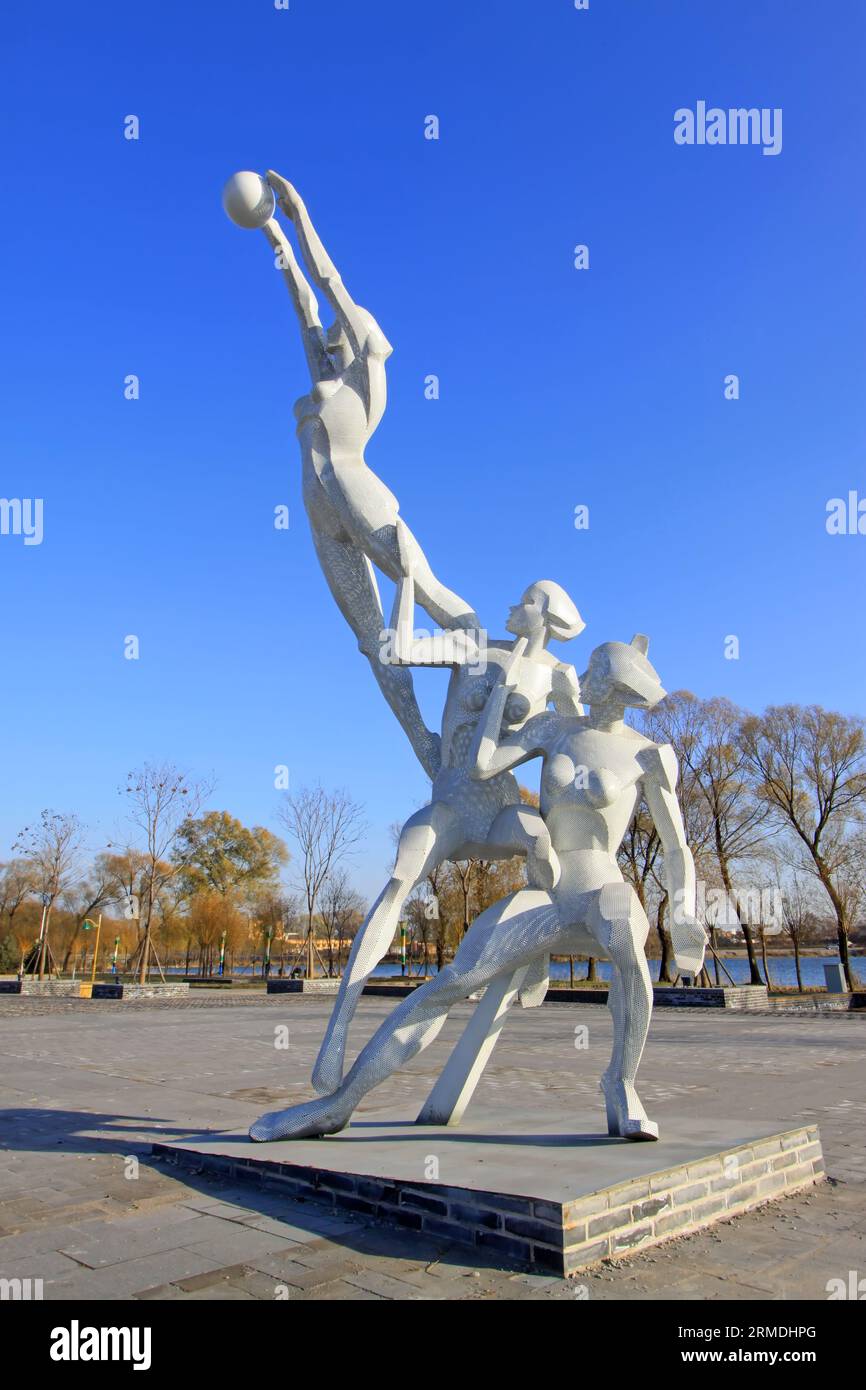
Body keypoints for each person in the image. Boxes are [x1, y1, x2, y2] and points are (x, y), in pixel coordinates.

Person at [250, 635, 706, 1143]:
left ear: (623, 689)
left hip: (603, 888)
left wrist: (685, 914)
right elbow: (484, 765)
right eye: (592, 669)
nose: (587, 679)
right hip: (550, 891)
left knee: (627, 944)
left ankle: (621, 1084)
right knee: (451, 981)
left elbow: (676, 848)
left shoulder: (649, 755)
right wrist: (498, 696)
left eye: (600, 673)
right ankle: (338, 1104)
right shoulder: (553, 728)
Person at [310, 541, 584, 1096]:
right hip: (454, 803)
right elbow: (400, 648)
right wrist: (407, 582)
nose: (516, 604)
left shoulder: (559, 675)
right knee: (397, 883)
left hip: (501, 806)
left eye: (527, 600)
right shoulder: (474, 645)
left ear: (546, 616)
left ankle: (535, 955)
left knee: (541, 840)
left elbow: (575, 746)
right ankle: (337, 1032)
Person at [260, 172, 477, 778]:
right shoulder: (325, 374)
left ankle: (475, 640)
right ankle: (425, 746)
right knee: (372, 642)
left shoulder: (365, 376)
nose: (329, 343)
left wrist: (300, 215)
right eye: (327, 342)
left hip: (359, 494)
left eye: (340, 337)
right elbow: (301, 300)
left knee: (424, 587)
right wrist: (270, 231)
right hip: (320, 516)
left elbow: (328, 286)